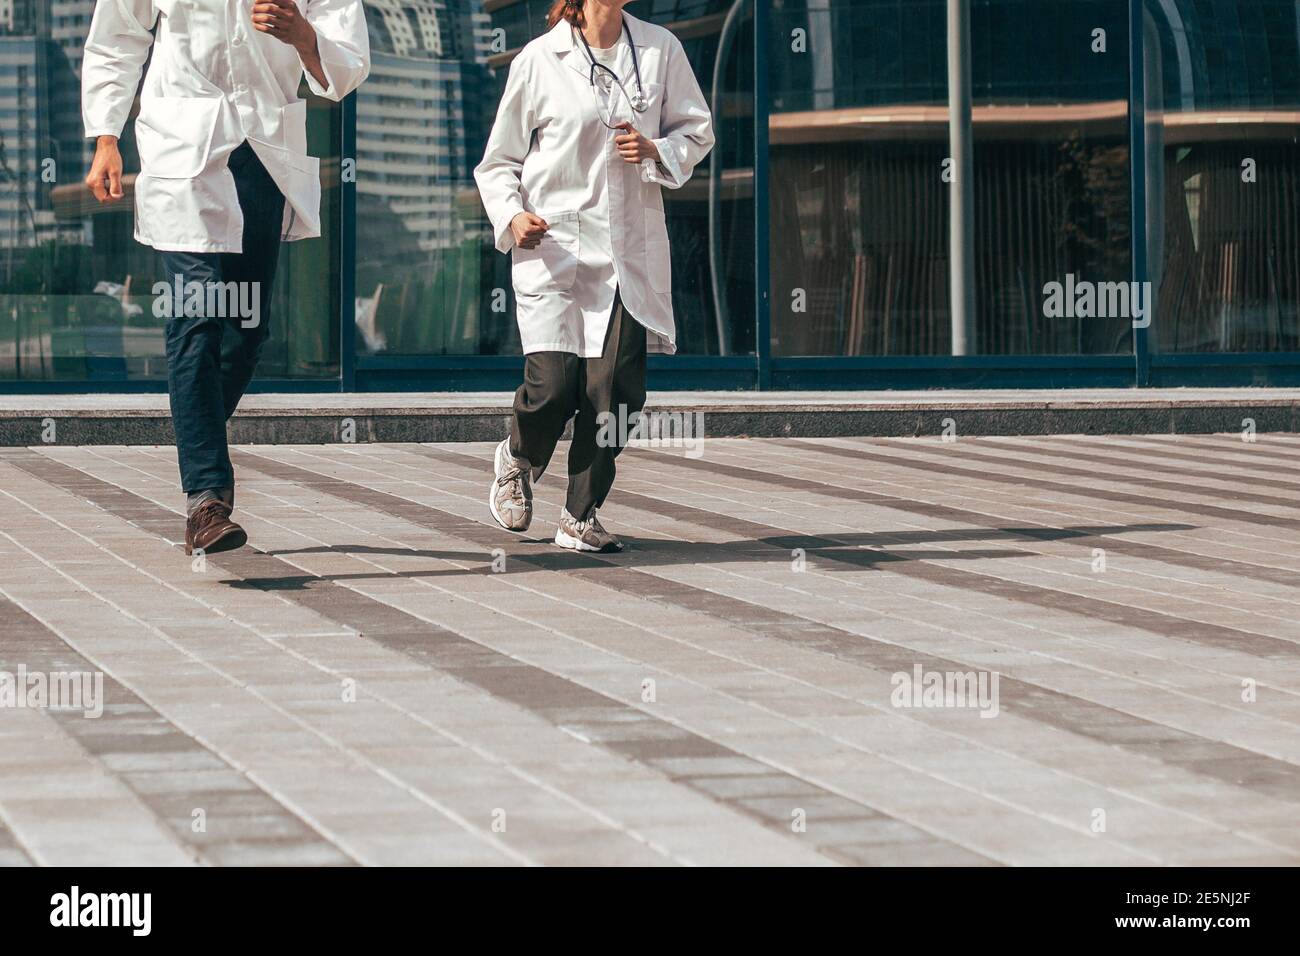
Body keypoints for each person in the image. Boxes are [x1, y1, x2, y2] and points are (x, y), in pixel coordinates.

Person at [82, 0, 370, 556]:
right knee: (196, 315)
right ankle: (206, 498)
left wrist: (303, 35)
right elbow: (118, 36)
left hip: (264, 151)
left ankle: (197, 432)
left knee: (247, 330)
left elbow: (349, 62)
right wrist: (106, 136)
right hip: (182, 149)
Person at [475, 0, 714, 553]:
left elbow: (697, 132)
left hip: (627, 251)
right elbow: (498, 162)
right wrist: (512, 216)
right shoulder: (539, 59)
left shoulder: (660, 49)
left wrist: (657, 149)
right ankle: (518, 457)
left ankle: (580, 515)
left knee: (617, 393)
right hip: (554, 246)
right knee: (554, 385)